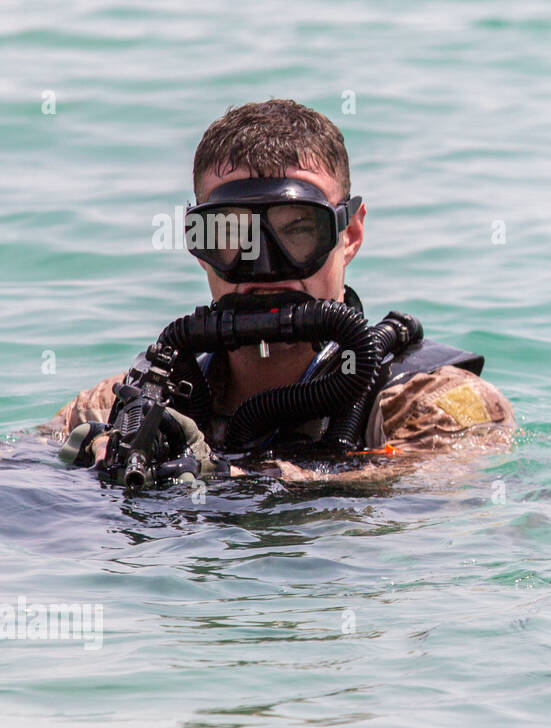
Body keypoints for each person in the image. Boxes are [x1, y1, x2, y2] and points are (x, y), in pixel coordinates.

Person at [43, 99, 513, 481]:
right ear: (196, 244)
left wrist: (235, 479)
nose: (264, 268)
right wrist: (94, 460)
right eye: (231, 235)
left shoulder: (424, 402)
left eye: (297, 231)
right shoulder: (118, 404)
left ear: (349, 235)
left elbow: (442, 506)